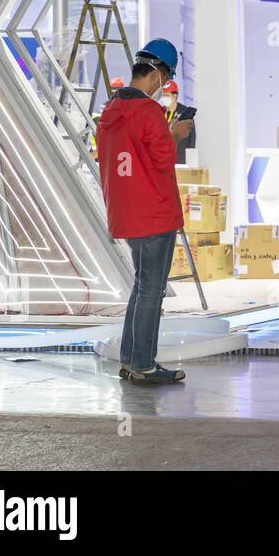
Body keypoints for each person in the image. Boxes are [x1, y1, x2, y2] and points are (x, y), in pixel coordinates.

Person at [96, 38, 195, 385]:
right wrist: (174, 134)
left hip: (125, 211)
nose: (163, 88)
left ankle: (130, 358)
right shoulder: (150, 113)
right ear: (156, 75)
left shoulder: (110, 111)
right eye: (164, 80)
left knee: (142, 286)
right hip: (153, 212)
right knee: (152, 288)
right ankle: (143, 364)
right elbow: (163, 159)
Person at [160, 79, 196, 161]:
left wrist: (190, 160)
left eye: (167, 95)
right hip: (163, 158)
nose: (164, 98)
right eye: (163, 95)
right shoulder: (159, 112)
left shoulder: (185, 113)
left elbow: (192, 138)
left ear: (175, 96)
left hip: (181, 159)